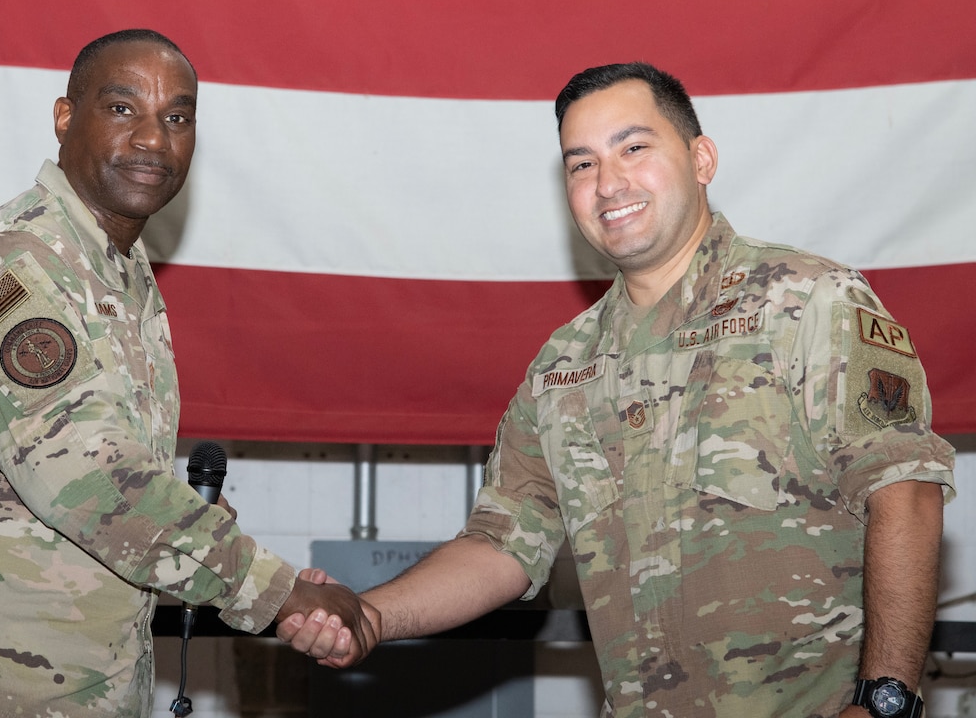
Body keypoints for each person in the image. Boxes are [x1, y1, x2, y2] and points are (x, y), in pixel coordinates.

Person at [278, 62, 956, 717]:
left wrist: (885, 701)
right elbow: (503, 544)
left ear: (701, 160)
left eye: (633, 147)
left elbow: (905, 493)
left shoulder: (809, 302)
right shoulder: (563, 367)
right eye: (582, 164)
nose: (608, 182)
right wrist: (371, 614)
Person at [0, 28, 376, 718]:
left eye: (177, 118)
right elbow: (89, 479)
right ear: (66, 118)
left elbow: (113, 490)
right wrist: (279, 592)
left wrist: (195, 534)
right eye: (123, 109)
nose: (155, 138)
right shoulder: (10, 263)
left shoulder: (118, 275)